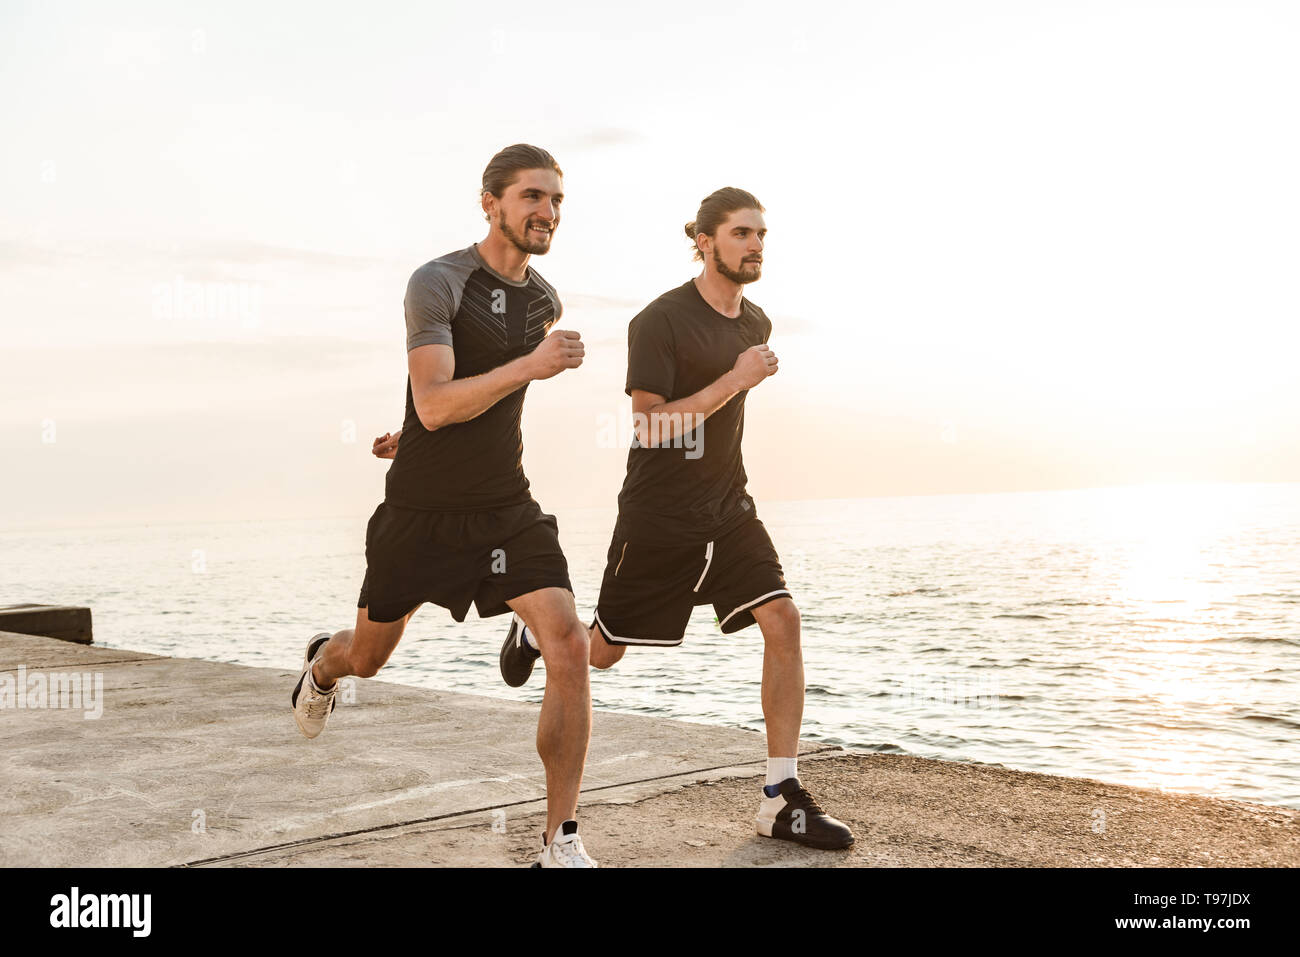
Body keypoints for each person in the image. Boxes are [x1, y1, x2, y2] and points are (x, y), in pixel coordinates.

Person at [499, 186, 855, 851]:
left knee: (783, 618)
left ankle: (780, 796)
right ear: (705, 241)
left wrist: (741, 376)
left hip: (728, 506)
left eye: (761, 235)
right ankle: (540, 631)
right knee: (602, 653)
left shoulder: (757, 322)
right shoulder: (658, 321)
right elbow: (650, 426)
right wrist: (737, 380)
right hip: (659, 515)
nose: (755, 246)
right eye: (742, 234)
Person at [294, 143, 597, 868]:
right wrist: (524, 368)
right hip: (420, 516)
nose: (546, 212)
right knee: (368, 656)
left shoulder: (544, 300)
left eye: (556, 199)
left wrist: (415, 429)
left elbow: (468, 403)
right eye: (531, 196)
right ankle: (321, 668)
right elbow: (434, 401)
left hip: (504, 506)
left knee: (568, 639)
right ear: (490, 201)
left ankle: (561, 839)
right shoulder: (437, 282)